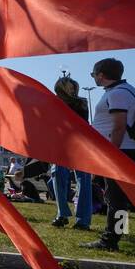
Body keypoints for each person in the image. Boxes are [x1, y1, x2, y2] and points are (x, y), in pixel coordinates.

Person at [82, 57, 135, 251]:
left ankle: (109, 241)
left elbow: (119, 125)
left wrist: (112, 154)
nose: (93, 78)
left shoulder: (118, 94)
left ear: (101, 74)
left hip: (120, 149)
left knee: (115, 197)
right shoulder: (124, 90)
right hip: (124, 149)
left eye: (93, 74)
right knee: (118, 197)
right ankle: (118, 233)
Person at [46, 76, 94, 230]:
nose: (71, 89)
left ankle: (83, 220)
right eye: (68, 86)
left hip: (80, 143)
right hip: (60, 143)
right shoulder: (52, 102)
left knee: (83, 179)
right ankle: (62, 214)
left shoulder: (81, 102)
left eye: (73, 86)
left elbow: (82, 123)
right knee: (57, 175)